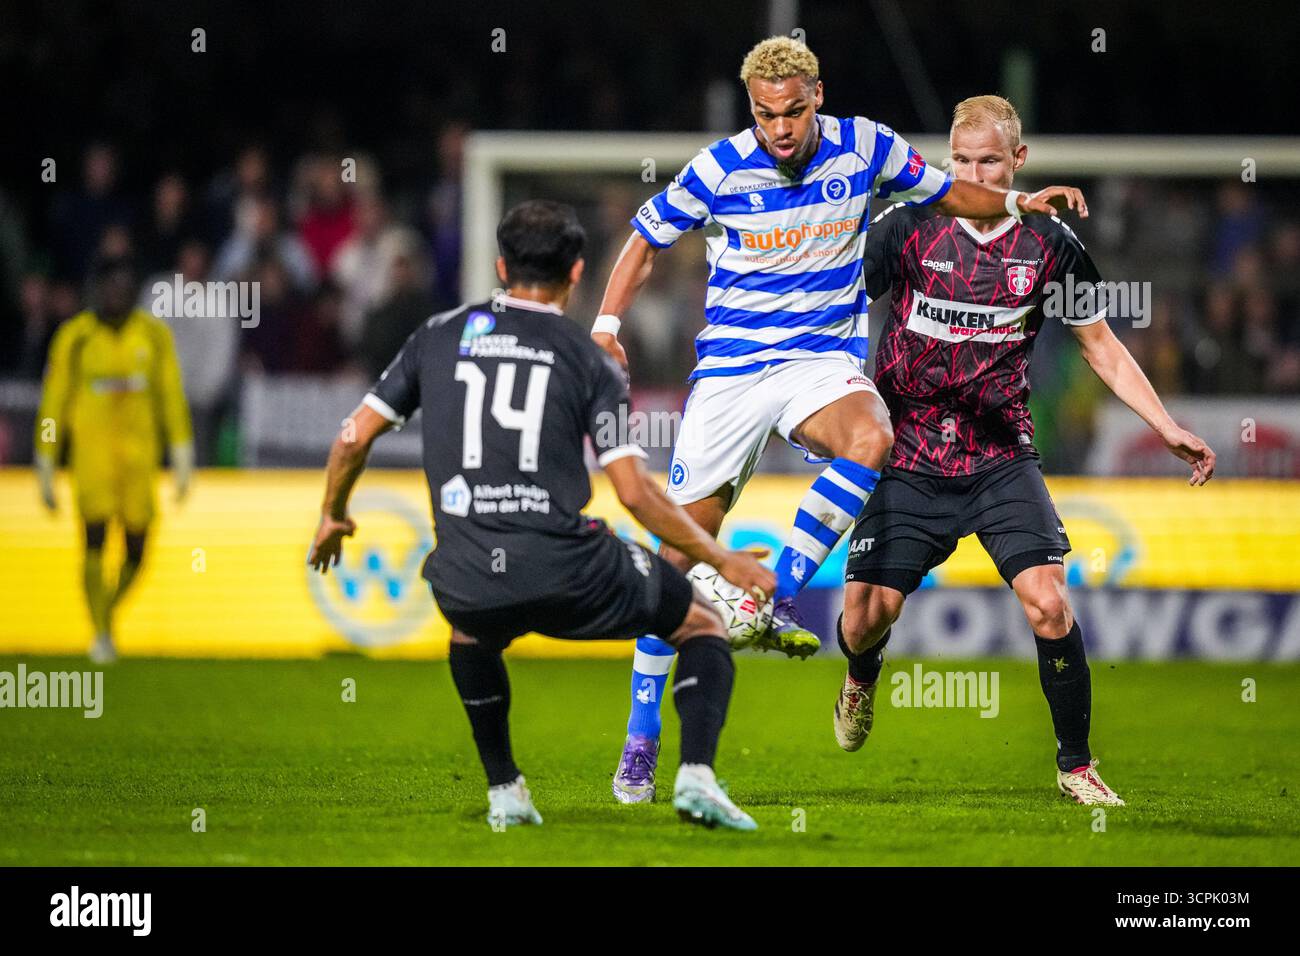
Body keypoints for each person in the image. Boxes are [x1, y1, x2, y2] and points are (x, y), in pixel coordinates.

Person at [595, 35, 1089, 803]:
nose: (781, 130)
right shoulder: (718, 167)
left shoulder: (867, 147)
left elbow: (946, 192)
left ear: (817, 96)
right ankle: (640, 734)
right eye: (766, 116)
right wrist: (604, 325)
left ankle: (773, 593)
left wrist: (1020, 202)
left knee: (872, 434)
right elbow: (643, 239)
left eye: (793, 112)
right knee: (677, 559)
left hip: (817, 363)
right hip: (729, 373)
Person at [308, 200, 775, 830]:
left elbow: (350, 438)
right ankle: (695, 779)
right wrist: (721, 558)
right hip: (568, 566)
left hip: (466, 570)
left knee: (470, 634)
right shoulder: (591, 359)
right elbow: (634, 493)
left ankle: (506, 790)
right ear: (577, 273)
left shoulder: (437, 336)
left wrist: (333, 515)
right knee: (701, 623)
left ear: (501, 265)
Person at [834, 96, 1217, 805]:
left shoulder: (1049, 244)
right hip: (908, 451)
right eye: (962, 161)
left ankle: (1076, 766)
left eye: (988, 161)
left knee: (1048, 604)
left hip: (999, 453)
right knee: (864, 617)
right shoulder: (910, 225)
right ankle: (861, 677)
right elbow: (834, 307)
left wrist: (1165, 425)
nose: (973, 174)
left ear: (1018, 161)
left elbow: (1099, 344)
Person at [35, 257, 194, 663]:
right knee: (93, 542)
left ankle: (106, 612)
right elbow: (54, 402)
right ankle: (102, 633)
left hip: (139, 462)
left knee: (138, 549)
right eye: (111, 286)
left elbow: (171, 397)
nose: (117, 294)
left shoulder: (154, 337)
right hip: (93, 460)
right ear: (98, 290)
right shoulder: (76, 337)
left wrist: (181, 454)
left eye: (125, 287)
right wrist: (46, 462)